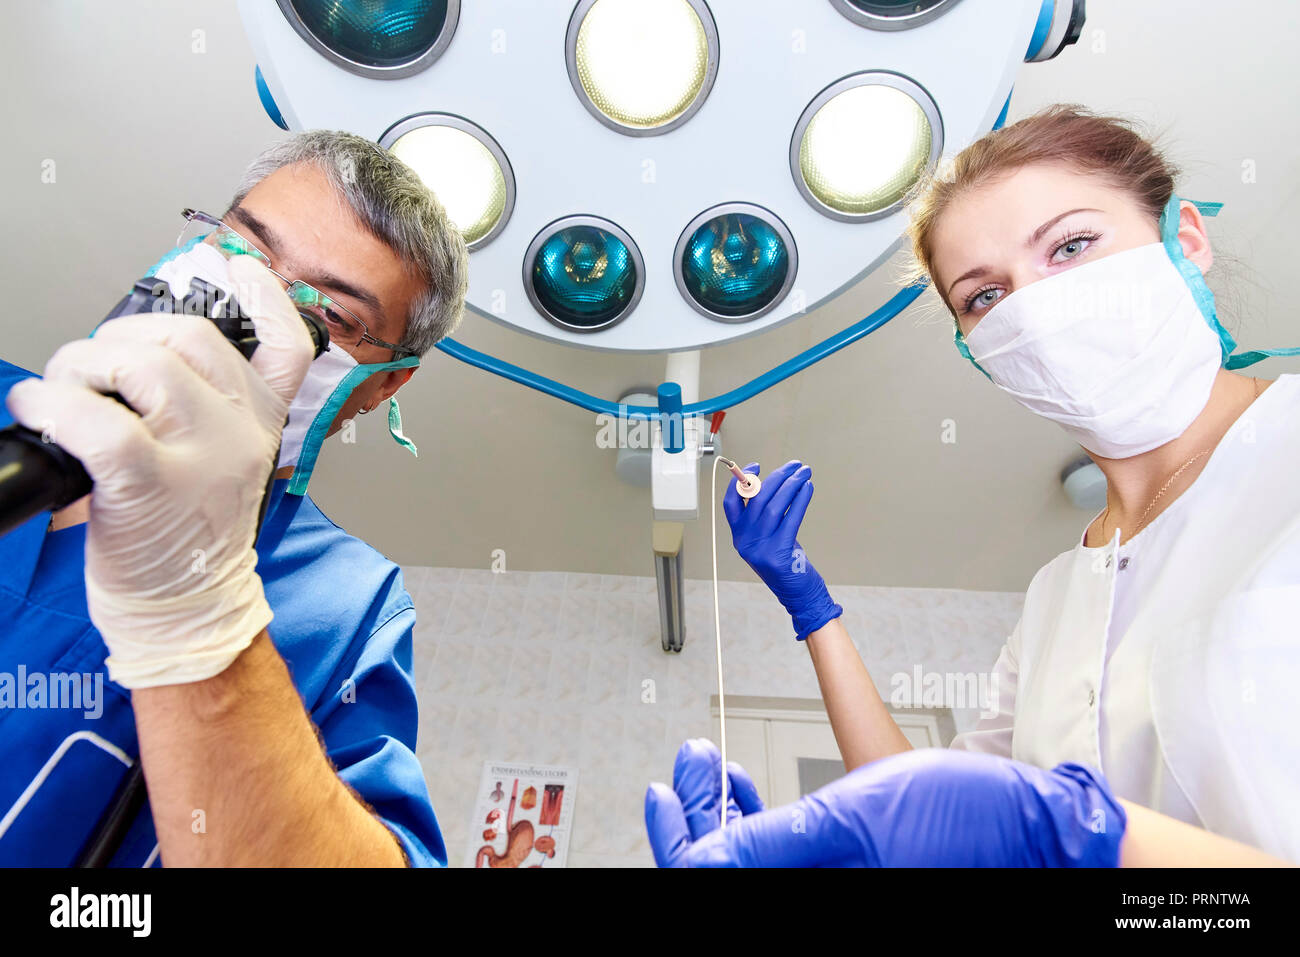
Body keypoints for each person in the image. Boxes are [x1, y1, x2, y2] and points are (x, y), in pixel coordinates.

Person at [646, 104, 1298, 866]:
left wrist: (1067, 833)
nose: (1034, 308)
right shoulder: (1057, 598)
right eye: (985, 296)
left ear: (1184, 239)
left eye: (1071, 244)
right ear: (980, 350)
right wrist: (808, 601)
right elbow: (920, 814)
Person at [0, 130, 469, 866]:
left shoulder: (346, 605)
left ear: (383, 384)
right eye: (240, 248)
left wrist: (203, 615)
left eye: (328, 316)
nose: (252, 302)